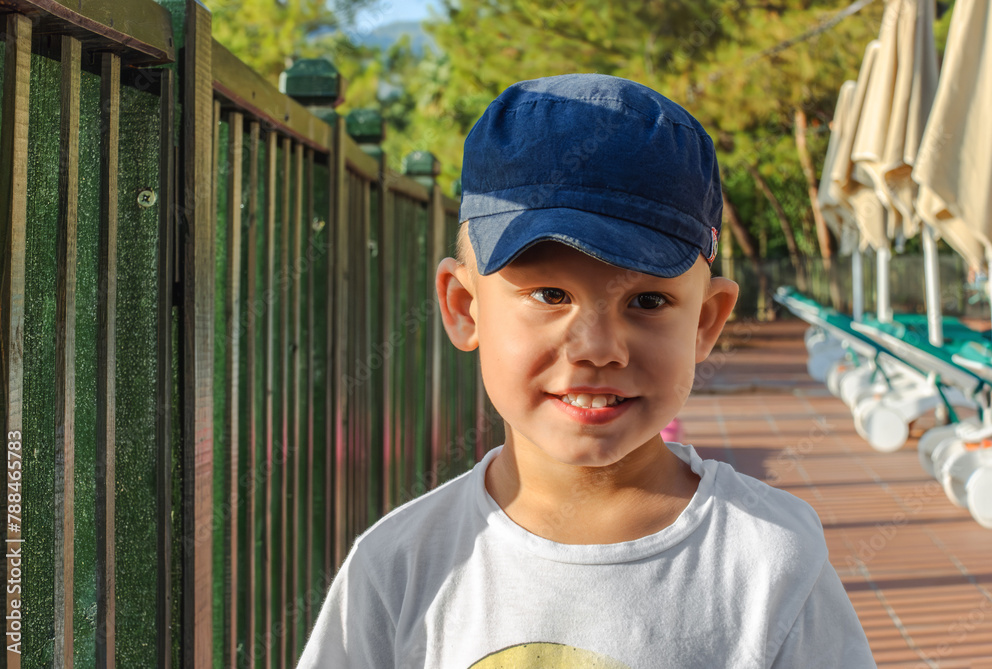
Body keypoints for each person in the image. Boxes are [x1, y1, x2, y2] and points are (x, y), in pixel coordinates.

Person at [297, 73, 875, 668]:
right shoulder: (399, 565)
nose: (598, 348)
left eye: (647, 302)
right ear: (464, 308)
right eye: (550, 295)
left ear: (706, 321)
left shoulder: (770, 559)